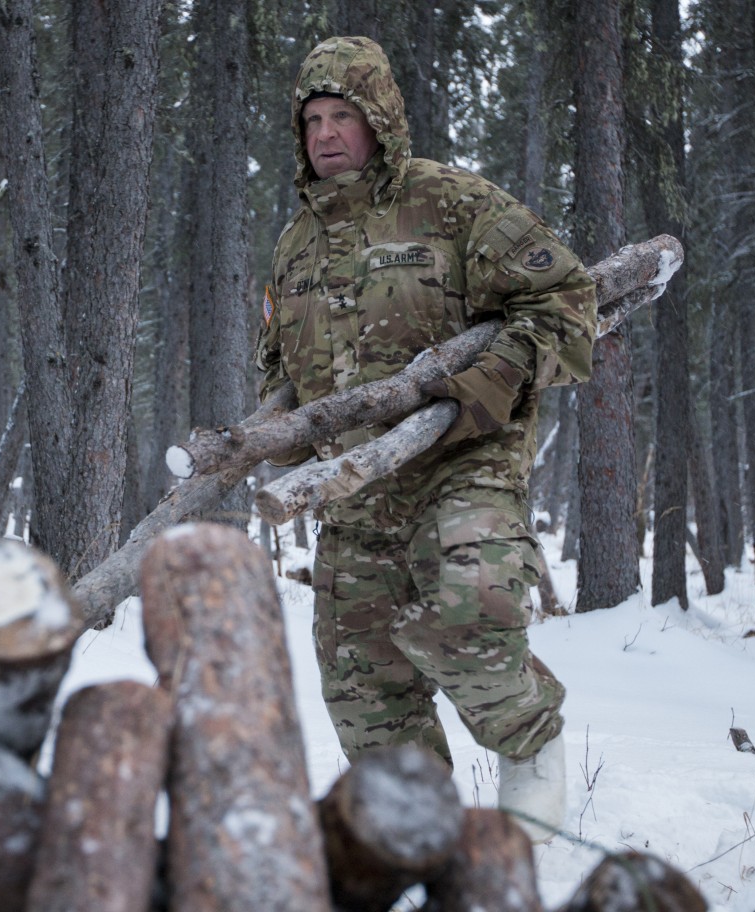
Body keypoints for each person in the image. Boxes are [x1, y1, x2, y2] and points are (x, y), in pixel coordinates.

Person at [254, 36, 597, 842]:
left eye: (344, 116)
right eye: (312, 120)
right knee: (360, 680)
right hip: (354, 488)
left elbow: (565, 298)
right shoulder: (295, 243)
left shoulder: (453, 203)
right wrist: (278, 426)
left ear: (380, 121)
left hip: (462, 461)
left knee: (470, 608)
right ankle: (418, 843)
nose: (326, 134)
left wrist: (494, 380)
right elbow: (279, 360)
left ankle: (531, 747)